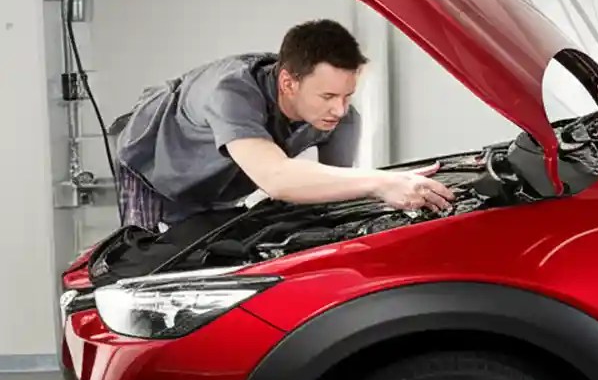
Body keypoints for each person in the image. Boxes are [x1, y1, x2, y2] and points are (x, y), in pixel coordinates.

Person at [111, 18, 453, 231]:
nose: (339, 109)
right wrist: (382, 183)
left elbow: (331, 194)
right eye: (328, 96)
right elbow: (276, 179)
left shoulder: (342, 118)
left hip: (219, 184)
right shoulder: (229, 92)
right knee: (143, 272)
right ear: (289, 83)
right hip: (153, 169)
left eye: (348, 95)